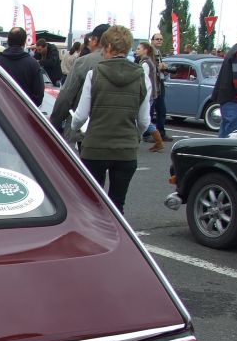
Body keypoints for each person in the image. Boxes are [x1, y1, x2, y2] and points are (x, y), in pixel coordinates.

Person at [69, 25, 149, 213]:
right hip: (126, 149)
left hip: (95, 147)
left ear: (109, 48)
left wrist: (74, 126)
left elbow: (80, 116)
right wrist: (134, 134)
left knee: (92, 204)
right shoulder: (141, 76)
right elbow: (144, 120)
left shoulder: (94, 74)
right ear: (128, 48)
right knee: (117, 204)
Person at [51, 23, 110, 147]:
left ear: (94, 40)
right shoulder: (131, 67)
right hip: (119, 137)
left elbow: (66, 98)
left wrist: (54, 124)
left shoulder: (84, 62)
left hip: (85, 132)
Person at [0, 27, 44, 105]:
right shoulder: (33, 64)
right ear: (24, 42)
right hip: (23, 114)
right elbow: (38, 97)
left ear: (8, 41)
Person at [134, 41, 165, 151]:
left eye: (138, 48)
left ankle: (158, 141)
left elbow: (143, 80)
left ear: (145, 50)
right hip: (150, 94)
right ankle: (156, 141)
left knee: (143, 119)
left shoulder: (145, 63)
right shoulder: (148, 61)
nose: (136, 50)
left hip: (147, 95)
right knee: (142, 118)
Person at [148, 31, 170, 141]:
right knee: (150, 110)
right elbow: (148, 68)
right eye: (157, 39)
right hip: (153, 84)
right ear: (152, 41)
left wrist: (165, 69)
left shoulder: (159, 53)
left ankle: (161, 133)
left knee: (162, 110)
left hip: (160, 83)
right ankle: (147, 134)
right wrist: (159, 67)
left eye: (161, 39)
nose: (160, 41)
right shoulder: (149, 53)